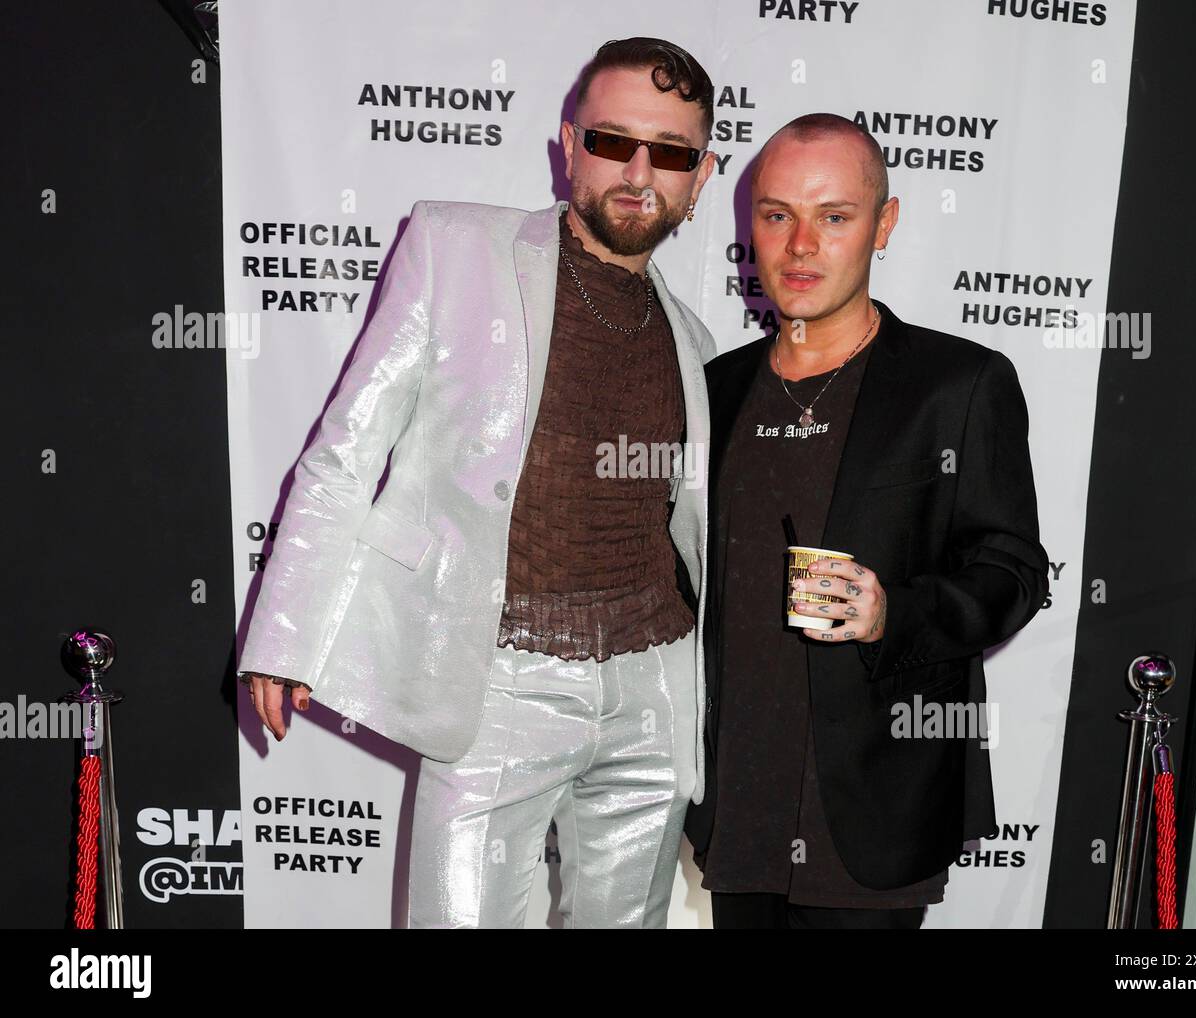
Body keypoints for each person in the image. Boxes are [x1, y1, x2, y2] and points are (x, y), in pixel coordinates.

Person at [237, 37, 718, 928]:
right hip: (498, 681)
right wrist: (283, 634)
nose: (639, 171)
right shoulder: (456, 250)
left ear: (701, 175)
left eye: (673, 153)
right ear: (569, 143)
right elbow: (346, 449)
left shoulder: (696, 341)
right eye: (614, 141)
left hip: (654, 690)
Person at [684, 113, 1049, 929]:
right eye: (777, 215)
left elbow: (1014, 572)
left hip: (872, 809)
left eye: (834, 216)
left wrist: (894, 612)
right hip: (733, 805)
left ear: (884, 224)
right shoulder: (714, 390)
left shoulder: (957, 384)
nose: (801, 245)